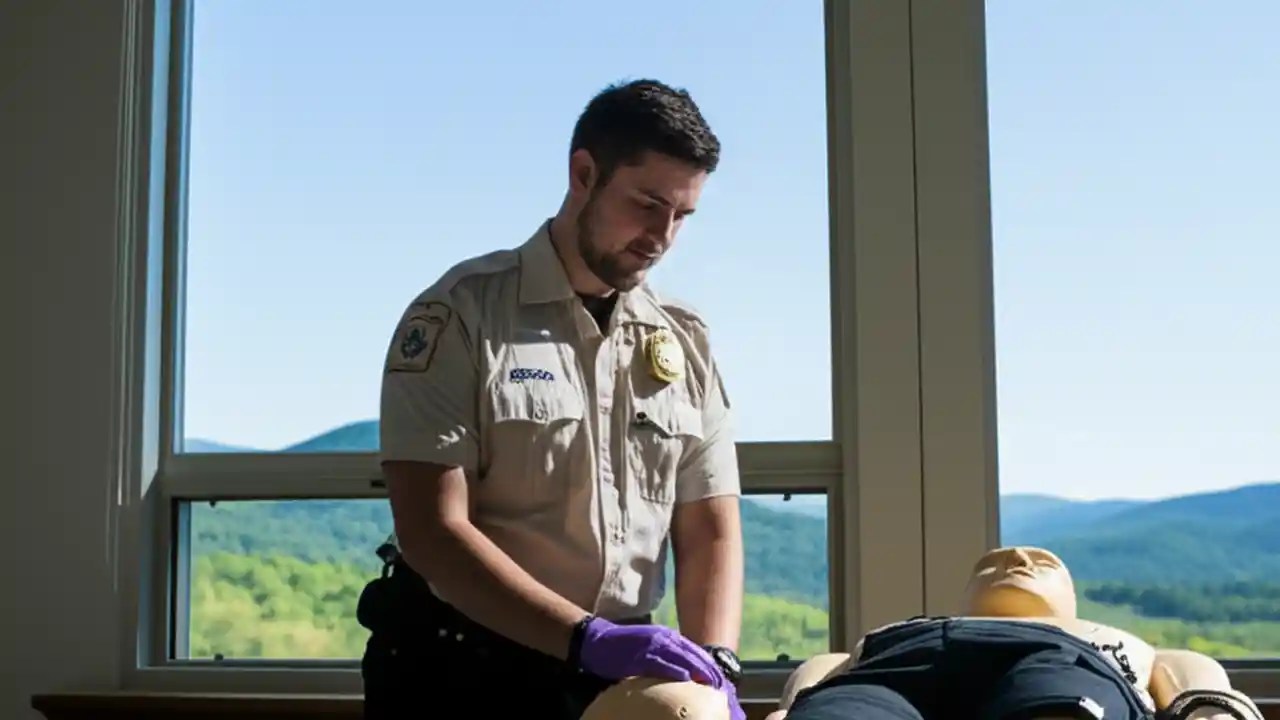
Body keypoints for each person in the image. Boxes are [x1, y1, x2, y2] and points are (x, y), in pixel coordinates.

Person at [358, 78, 747, 720]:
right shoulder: (461, 314)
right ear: (583, 173)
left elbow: (709, 528)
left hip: (616, 681)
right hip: (459, 671)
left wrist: (714, 666)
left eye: (683, 215)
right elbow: (432, 529)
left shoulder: (685, 340)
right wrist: (582, 638)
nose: (663, 235)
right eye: (647, 203)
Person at [759, 546, 1264, 720]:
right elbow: (827, 671)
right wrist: (797, 704)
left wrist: (1213, 709)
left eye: (1040, 561)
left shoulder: (1103, 635)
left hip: (1065, 658)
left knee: (1058, 704)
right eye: (993, 564)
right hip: (898, 667)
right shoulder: (904, 628)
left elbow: (1199, 683)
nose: (1018, 560)